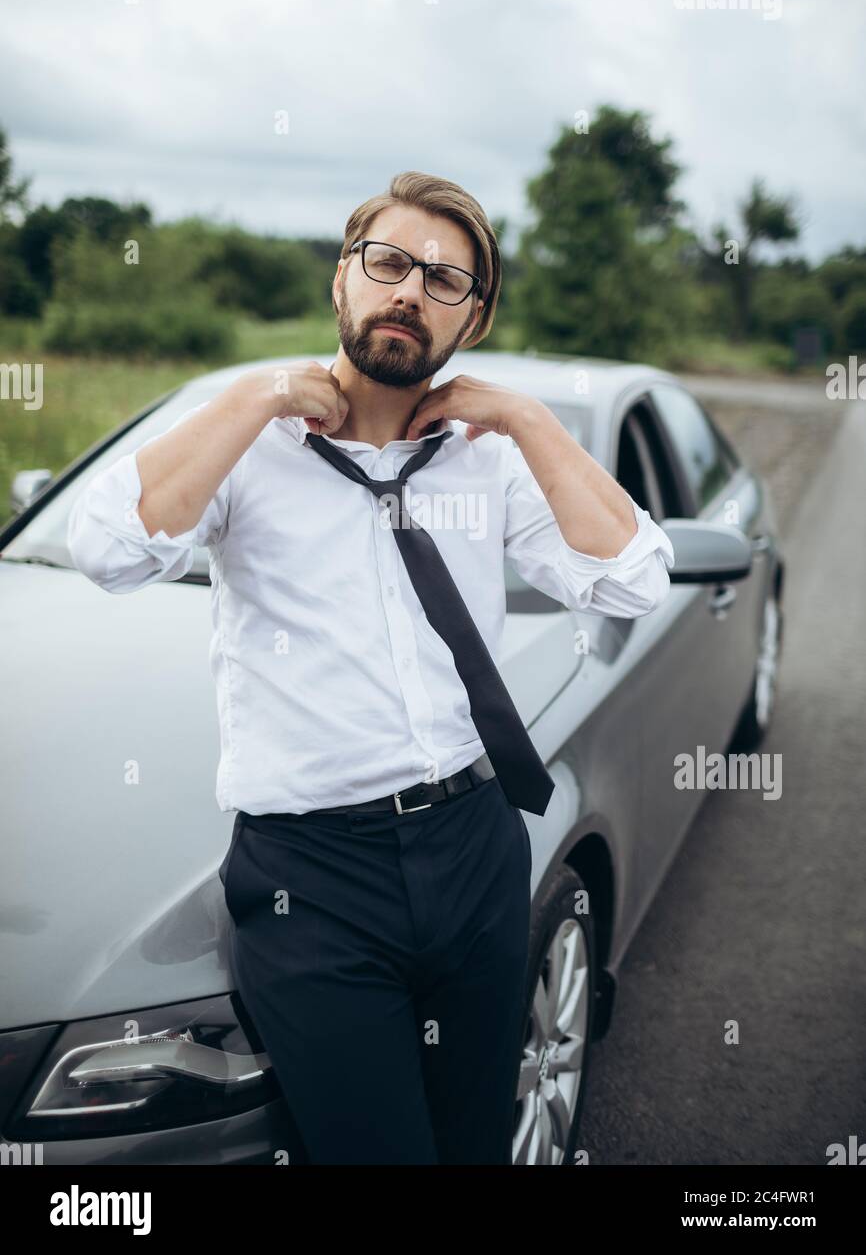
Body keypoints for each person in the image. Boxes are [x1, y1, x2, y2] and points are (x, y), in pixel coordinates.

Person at [67, 170, 675, 1165]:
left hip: (475, 848)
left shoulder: (487, 458)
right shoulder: (251, 447)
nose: (408, 291)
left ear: (470, 320)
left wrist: (525, 419)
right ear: (341, 283)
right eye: (387, 263)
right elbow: (107, 547)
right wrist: (255, 393)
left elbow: (633, 581)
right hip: (314, 879)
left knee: (473, 1138)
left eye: (444, 281)